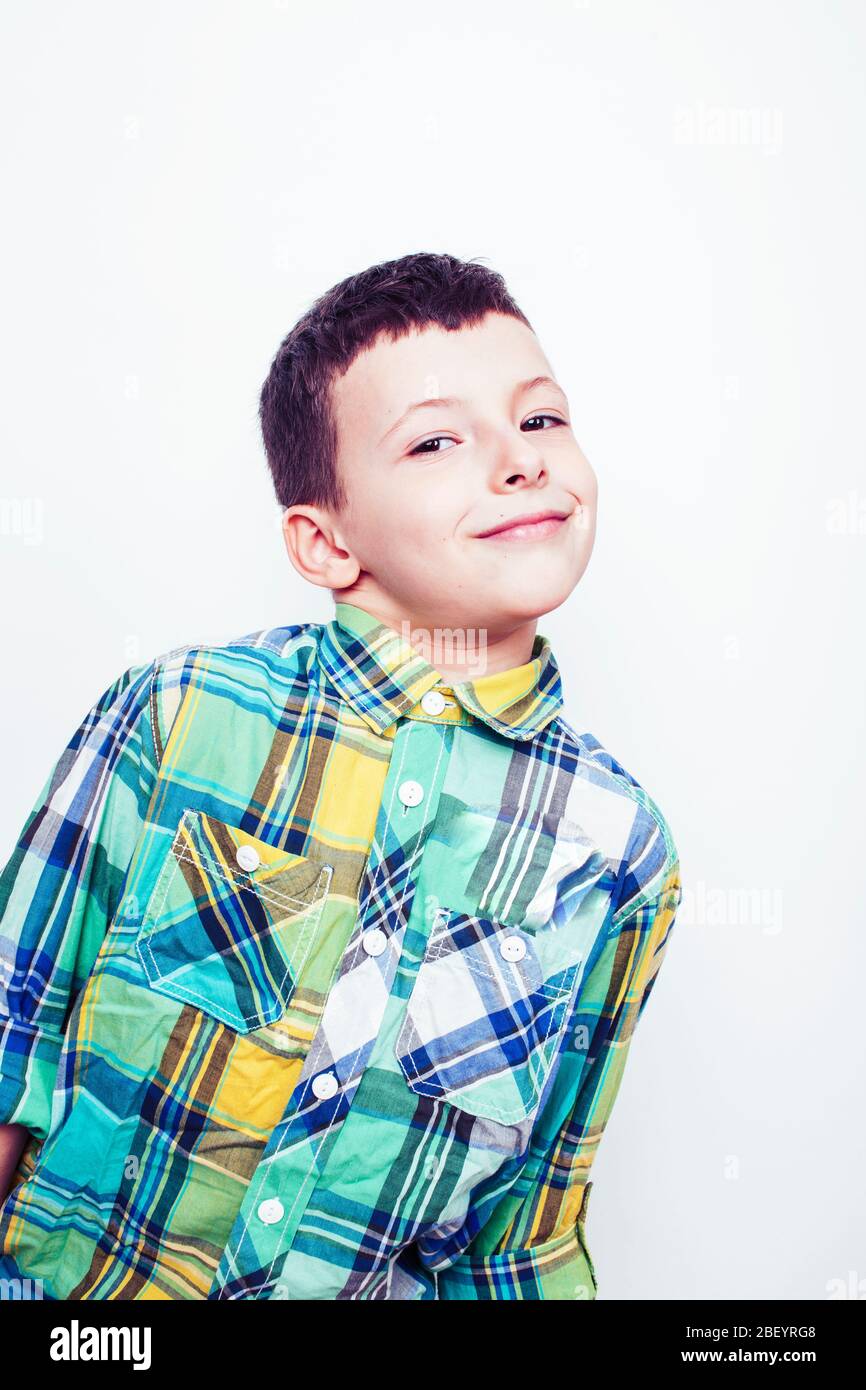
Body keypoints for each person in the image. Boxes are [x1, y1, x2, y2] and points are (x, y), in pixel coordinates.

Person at [0, 251, 681, 1300]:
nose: (517, 461)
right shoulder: (178, 714)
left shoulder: (618, 848)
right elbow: (13, 1051)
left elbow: (521, 1241)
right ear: (324, 543)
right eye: (436, 440)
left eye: (540, 420)